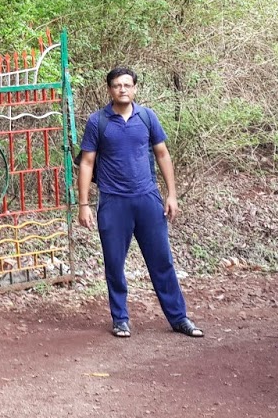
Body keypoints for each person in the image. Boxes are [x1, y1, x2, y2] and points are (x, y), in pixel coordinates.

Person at [75, 66, 203, 339]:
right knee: (114, 264)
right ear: (109, 89)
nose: (122, 89)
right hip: (113, 202)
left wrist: (171, 194)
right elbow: (86, 162)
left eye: (127, 85)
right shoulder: (98, 121)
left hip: (147, 199)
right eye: (117, 85)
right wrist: (83, 205)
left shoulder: (147, 117)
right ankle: (120, 319)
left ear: (135, 88)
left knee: (162, 261)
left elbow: (162, 154)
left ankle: (178, 317)